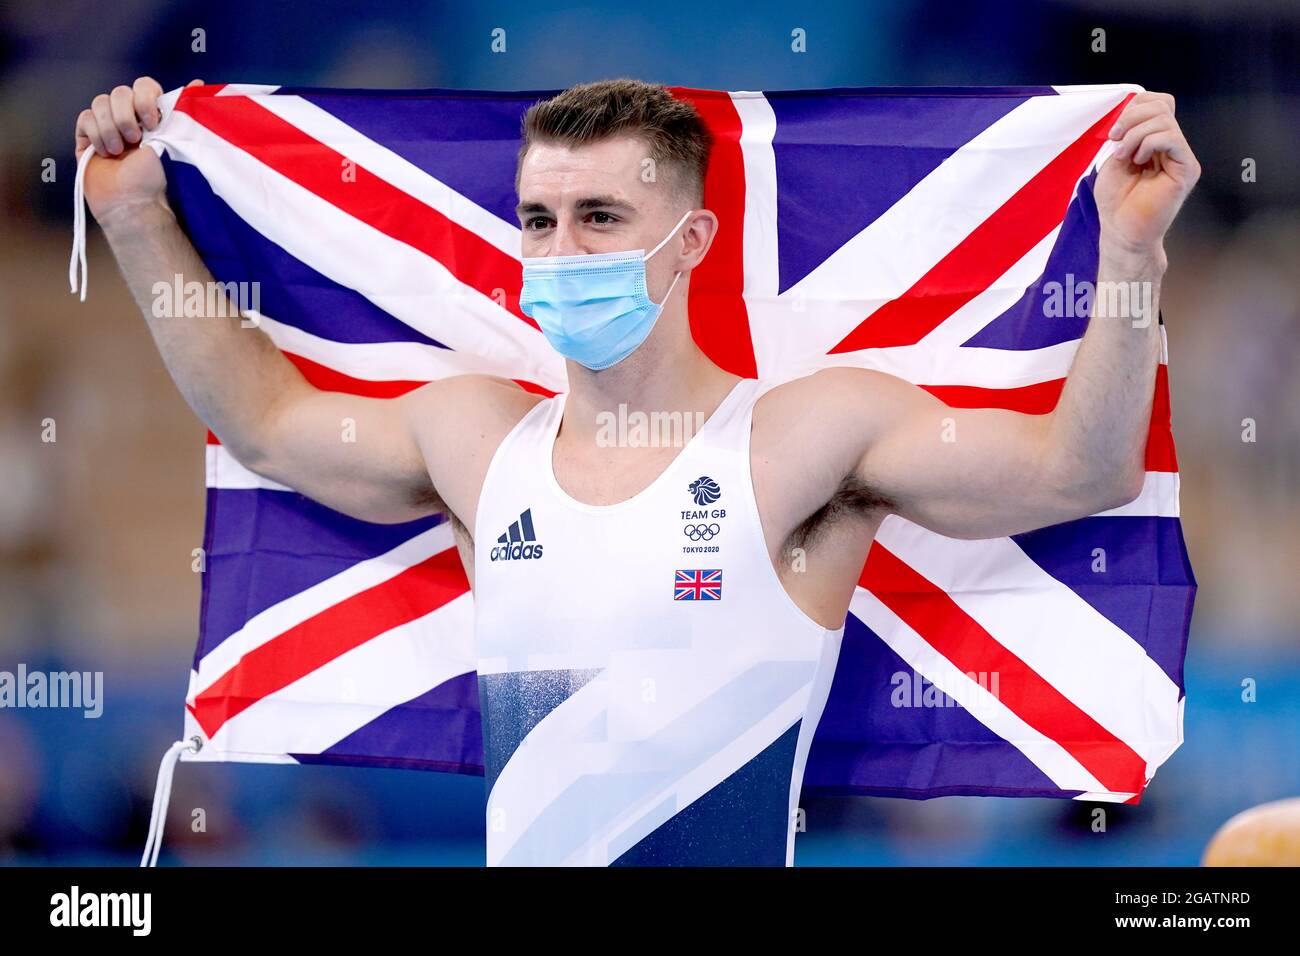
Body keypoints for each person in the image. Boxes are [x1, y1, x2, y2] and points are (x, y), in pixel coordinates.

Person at [74, 76, 1200, 866]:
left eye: (601, 218)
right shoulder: (478, 444)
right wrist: (131, 215)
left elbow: (1078, 469)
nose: (561, 252)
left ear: (695, 240)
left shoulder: (802, 440)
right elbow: (266, 425)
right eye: (540, 220)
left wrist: (1128, 252)